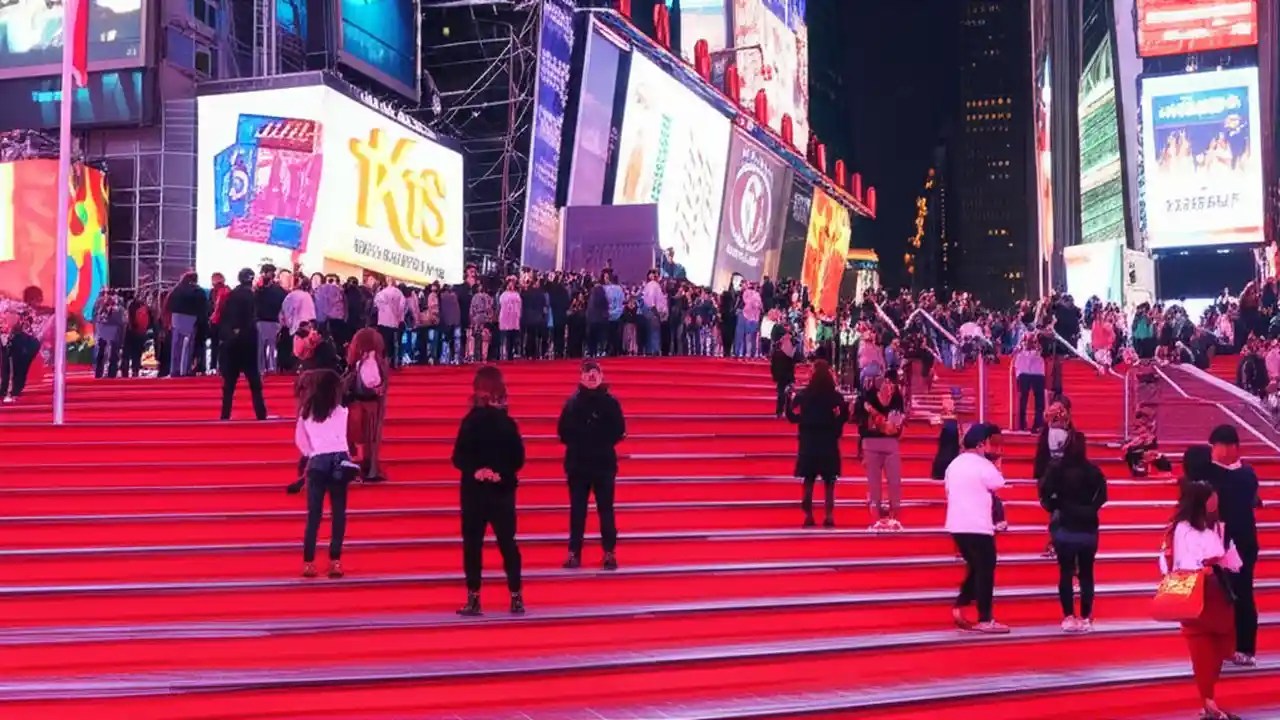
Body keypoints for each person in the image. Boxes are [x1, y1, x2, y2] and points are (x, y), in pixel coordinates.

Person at [1163, 480, 1243, 720]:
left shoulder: (1214, 527)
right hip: (1197, 592)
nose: (1215, 501)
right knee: (1202, 650)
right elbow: (1181, 562)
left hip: (1219, 593)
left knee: (1222, 644)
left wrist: (1226, 561)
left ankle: (1209, 703)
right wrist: (1204, 566)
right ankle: (1208, 703)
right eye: (1211, 497)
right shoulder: (1182, 529)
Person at [452, 365, 526, 616]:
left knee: (473, 545)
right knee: (508, 543)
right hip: (502, 491)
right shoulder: (508, 423)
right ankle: (516, 596)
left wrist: (477, 471)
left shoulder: (470, 421)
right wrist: (499, 473)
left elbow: (458, 457)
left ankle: (473, 598)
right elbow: (518, 458)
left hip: (474, 491)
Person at [558, 360, 626, 570]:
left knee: (606, 509)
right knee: (577, 511)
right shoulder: (572, 404)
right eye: (587, 374)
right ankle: (574, 553)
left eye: (595, 373)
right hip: (578, 465)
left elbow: (619, 429)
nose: (591, 377)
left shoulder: (611, 403)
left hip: (603, 464)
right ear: (581, 377)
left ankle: (609, 552)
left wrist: (598, 440)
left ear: (601, 376)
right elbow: (563, 432)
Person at [1037, 430, 1107, 632]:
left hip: (1065, 526)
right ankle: (1086, 617)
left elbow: (1044, 492)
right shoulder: (1093, 471)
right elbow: (1103, 496)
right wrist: (1090, 509)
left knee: (1065, 572)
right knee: (1087, 573)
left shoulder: (1056, 469)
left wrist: (1055, 506)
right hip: (1088, 527)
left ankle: (1068, 616)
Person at [944, 422, 1010, 634]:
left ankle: (961, 603)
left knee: (976, 566)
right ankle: (985, 618)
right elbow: (998, 483)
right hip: (978, 526)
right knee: (985, 570)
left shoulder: (954, 464)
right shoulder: (983, 465)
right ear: (982, 444)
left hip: (957, 525)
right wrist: (996, 463)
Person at [1205, 424, 1261, 668]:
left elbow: (1234, 490)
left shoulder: (1243, 475)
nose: (1213, 452)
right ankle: (1224, 646)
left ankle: (1245, 648)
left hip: (1241, 546)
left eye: (1215, 447)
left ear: (1229, 447)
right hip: (1218, 545)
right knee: (1220, 598)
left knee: (1242, 596)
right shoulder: (1218, 475)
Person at [295, 368, 358, 579]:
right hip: (339, 460)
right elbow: (346, 438)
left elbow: (301, 441)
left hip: (317, 461)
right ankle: (335, 561)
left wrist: (312, 452)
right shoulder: (342, 411)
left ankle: (308, 562)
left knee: (314, 515)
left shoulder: (306, 413)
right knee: (338, 513)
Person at [785, 359, 850, 528]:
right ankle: (828, 515)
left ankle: (808, 515)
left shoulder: (804, 395)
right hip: (828, 440)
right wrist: (836, 426)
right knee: (829, 482)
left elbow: (792, 415)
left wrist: (791, 405)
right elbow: (845, 415)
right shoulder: (834, 396)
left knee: (809, 479)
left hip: (809, 441)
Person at [857, 373, 906, 531]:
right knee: (874, 485)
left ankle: (894, 518)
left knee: (894, 482)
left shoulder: (897, 398)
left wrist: (877, 417)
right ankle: (875, 519)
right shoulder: (867, 396)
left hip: (891, 444)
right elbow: (860, 419)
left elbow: (896, 426)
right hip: (871, 443)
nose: (888, 387)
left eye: (891, 384)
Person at [219, 268, 269, 421]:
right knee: (254, 382)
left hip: (232, 342)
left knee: (229, 384)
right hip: (248, 342)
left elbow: (225, 317)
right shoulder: (252, 296)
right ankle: (261, 414)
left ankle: (225, 415)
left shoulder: (232, 295)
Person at [345, 328, 390, 483]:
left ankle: (362, 466)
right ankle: (368, 468)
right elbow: (374, 383)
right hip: (368, 406)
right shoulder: (372, 361)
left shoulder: (361, 361)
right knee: (370, 438)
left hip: (358, 404)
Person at [770, 333, 796, 418]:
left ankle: (780, 411)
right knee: (785, 394)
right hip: (786, 376)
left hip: (782, 376)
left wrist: (775, 375)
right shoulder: (788, 353)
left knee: (782, 394)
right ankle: (784, 411)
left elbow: (773, 366)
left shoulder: (778, 353)